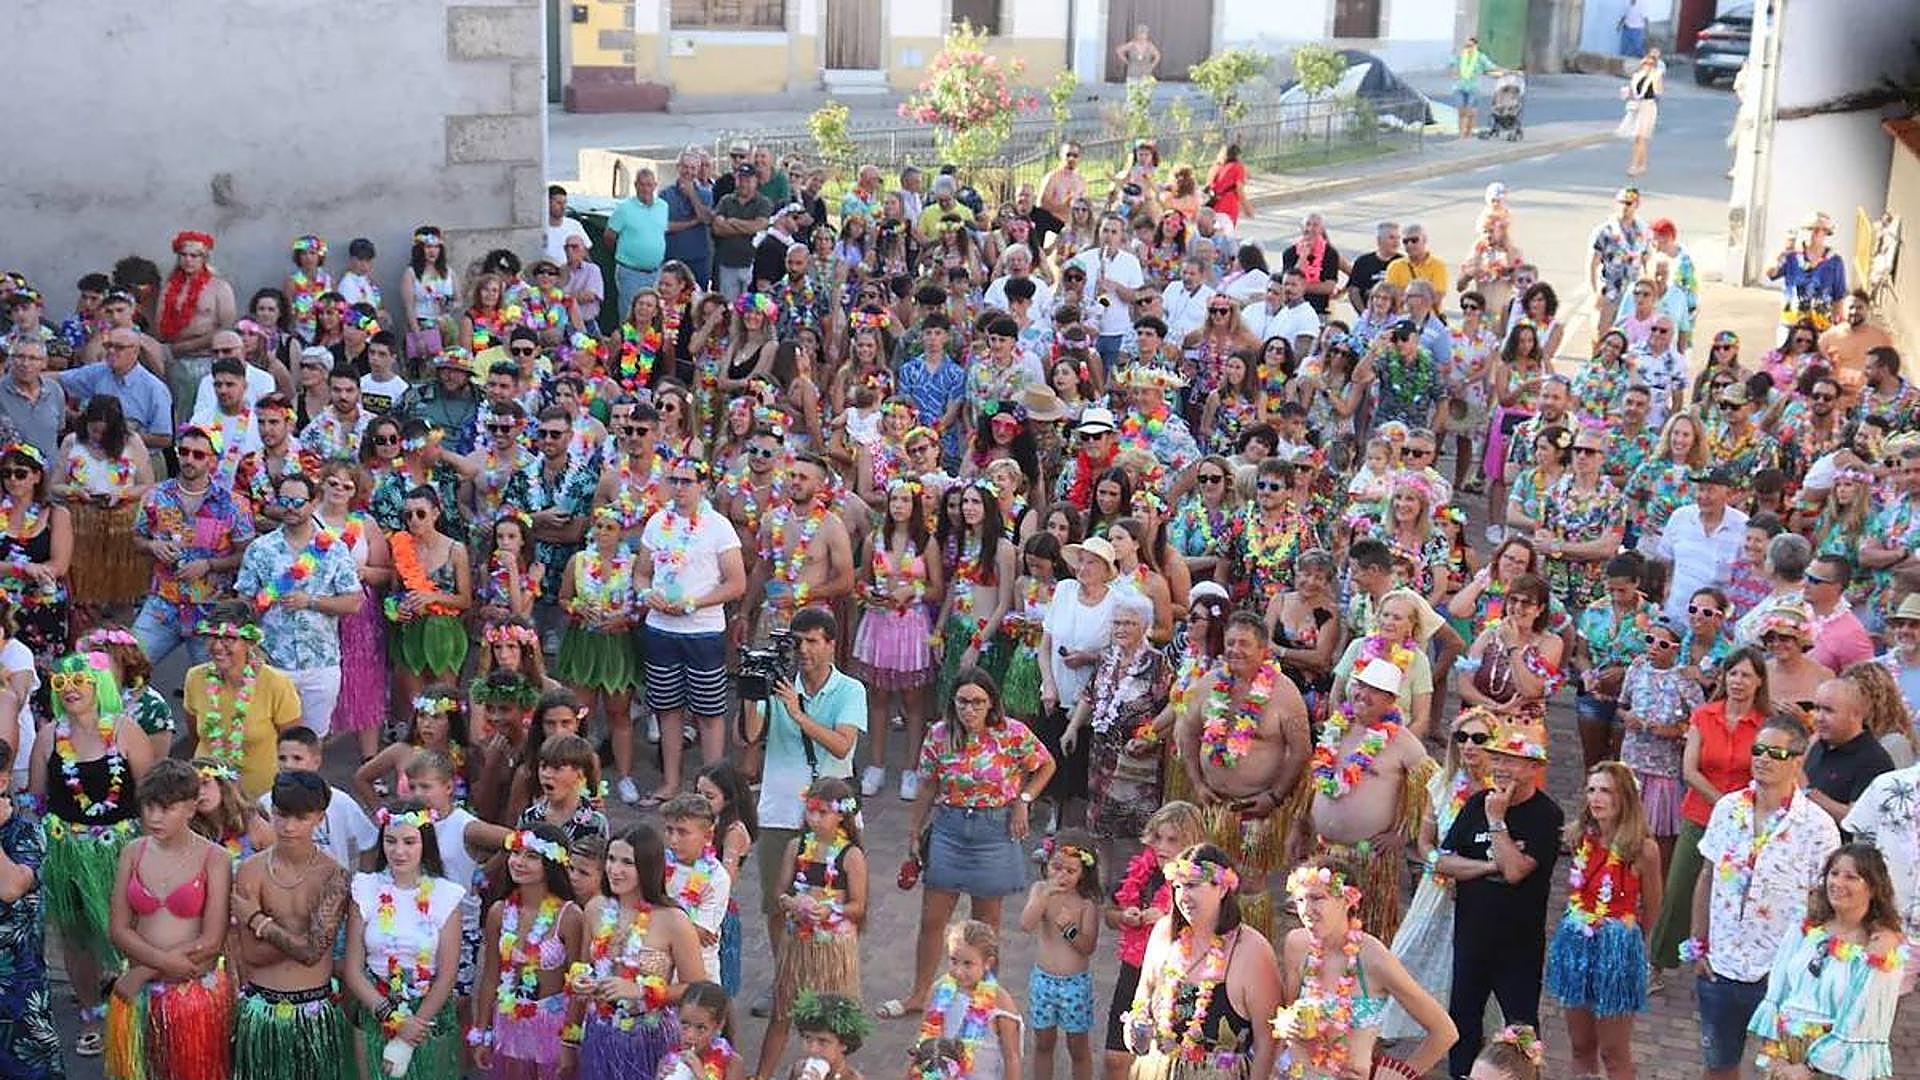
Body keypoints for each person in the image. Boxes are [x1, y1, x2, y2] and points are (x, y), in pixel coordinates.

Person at [887, 670, 1055, 1020]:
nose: (969, 709)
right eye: (963, 701)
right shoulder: (939, 735)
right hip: (949, 828)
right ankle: (919, 993)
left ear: (991, 702)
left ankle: (983, 999)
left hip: (994, 831)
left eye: (977, 701)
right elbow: (928, 786)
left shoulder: (1012, 733)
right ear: (953, 702)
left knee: (987, 924)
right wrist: (914, 831)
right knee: (932, 918)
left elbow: (1045, 765)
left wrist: (1024, 798)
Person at [1685, 715, 1841, 1080]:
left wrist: (1808, 973)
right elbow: (1707, 876)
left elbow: (1825, 907)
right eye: (1758, 750)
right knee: (1718, 1065)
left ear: (1798, 761)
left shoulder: (1818, 827)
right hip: (1721, 965)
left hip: (1781, 972)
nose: (1764, 759)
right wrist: (1698, 944)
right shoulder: (1727, 808)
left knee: (1778, 1069)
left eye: (1776, 752)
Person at [30, 652, 154, 1058]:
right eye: (61, 684)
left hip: (120, 847)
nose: (70, 689)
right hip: (67, 849)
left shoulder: (125, 731)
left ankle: (135, 1011)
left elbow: (150, 795)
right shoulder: (49, 736)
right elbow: (37, 797)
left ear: (98, 686)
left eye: (79, 681)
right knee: (77, 934)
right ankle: (90, 1014)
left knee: (127, 932)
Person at [751, 607, 864, 1017]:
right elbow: (747, 738)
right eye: (797, 642)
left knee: (836, 902)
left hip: (832, 816)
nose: (803, 651)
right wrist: (753, 697)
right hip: (780, 809)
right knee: (778, 901)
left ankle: (833, 983)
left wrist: (798, 712)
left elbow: (841, 746)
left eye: (812, 641)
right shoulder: (778, 683)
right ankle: (785, 979)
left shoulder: (851, 690)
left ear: (832, 644)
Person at [1436, 718, 1564, 1077]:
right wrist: (1487, 866)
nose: (1501, 768)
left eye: (1511, 760)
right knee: (1462, 1021)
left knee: (1522, 1031)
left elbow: (1516, 871)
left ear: (1534, 768)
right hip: (1472, 937)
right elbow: (1443, 862)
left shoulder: (1546, 814)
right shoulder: (1477, 803)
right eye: (1497, 759)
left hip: (1517, 945)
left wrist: (1496, 822)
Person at [1178, 612, 1311, 938]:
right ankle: (1209, 943)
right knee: (1209, 877)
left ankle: (1249, 947)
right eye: (1230, 642)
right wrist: (1196, 782)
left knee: (1250, 883)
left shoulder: (1284, 692)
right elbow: (1188, 733)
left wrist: (1275, 796)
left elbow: (1301, 751)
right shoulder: (1209, 683)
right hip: (1213, 805)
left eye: (1244, 644)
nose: (1235, 649)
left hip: (1258, 807)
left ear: (1263, 650)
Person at [1274, 859, 1458, 1078]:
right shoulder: (1297, 944)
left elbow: (1444, 1032)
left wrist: (1401, 1074)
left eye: (1317, 898)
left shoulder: (1373, 958)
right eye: (1300, 900)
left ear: (1347, 900)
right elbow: (1289, 1008)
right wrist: (1286, 1026)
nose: (1306, 910)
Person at [1380, 706, 1495, 1043]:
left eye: (1478, 738)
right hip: (1437, 886)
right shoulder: (1442, 785)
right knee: (1407, 950)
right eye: (1462, 738)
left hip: (1479, 891)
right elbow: (1425, 840)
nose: (1469, 745)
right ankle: (1393, 1021)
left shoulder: (1501, 793)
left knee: (1468, 965)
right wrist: (1436, 862)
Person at [1301, 656, 1435, 943]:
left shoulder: (1402, 741)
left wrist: (1404, 834)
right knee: (1324, 932)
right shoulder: (1335, 729)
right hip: (1325, 852)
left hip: (1369, 859)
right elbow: (1315, 782)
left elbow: (1432, 788)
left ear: (1390, 700)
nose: (1363, 694)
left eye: (1373, 690)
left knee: (1365, 934)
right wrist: (1299, 828)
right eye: (1360, 686)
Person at [229, 770, 354, 1080]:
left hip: (315, 1012)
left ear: (319, 818)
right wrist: (299, 939)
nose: (288, 827)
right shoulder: (250, 870)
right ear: (271, 811)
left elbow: (312, 952)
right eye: (282, 815)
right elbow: (251, 955)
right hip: (262, 1009)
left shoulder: (334, 876)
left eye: (301, 817)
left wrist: (259, 921)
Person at [1121, 844, 1282, 1080]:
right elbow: (1143, 993)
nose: (1183, 896)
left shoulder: (1252, 950)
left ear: (1223, 888)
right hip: (1158, 1070)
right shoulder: (1164, 932)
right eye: (1177, 886)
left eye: (1192, 885)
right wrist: (1136, 1022)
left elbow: (1269, 1041)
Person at [1542, 762, 1661, 1080]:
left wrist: (1627, 945)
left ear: (1624, 797)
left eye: (1606, 790)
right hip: (1577, 942)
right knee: (1581, 1045)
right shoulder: (1581, 838)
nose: (1596, 797)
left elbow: (1652, 909)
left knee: (1614, 1051)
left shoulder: (1643, 850)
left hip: (1617, 948)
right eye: (1591, 789)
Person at [1747, 843, 1905, 1078]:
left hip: (1835, 1067)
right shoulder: (1804, 933)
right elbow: (1780, 994)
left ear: (1872, 888)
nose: (1838, 883)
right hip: (1785, 1058)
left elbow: (1861, 1019)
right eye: (1834, 873)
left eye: (1851, 877)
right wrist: (1775, 1054)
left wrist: (1811, 1068)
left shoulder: (1878, 951)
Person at [341, 802, 466, 1080]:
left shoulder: (446, 896)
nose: (398, 851)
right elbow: (352, 969)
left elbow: (447, 976)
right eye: (390, 841)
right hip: (376, 1008)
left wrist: (411, 1031)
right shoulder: (365, 888)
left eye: (409, 842)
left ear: (426, 844)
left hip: (427, 1011)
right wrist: (392, 1018)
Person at [755, 778, 867, 1080]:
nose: (814, 819)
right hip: (798, 944)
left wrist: (831, 909)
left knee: (832, 1021)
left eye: (823, 813)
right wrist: (792, 904)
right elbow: (779, 893)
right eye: (811, 811)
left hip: (833, 948)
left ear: (841, 816)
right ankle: (762, 1075)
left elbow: (859, 906)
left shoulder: (851, 855)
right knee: (782, 1013)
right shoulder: (797, 846)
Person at [236, 472, 362, 737]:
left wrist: (311, 602)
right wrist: (251, 645)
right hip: (271, 661)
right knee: (268, 740)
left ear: (313, 502)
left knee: (310, 742)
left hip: (320, 663)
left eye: (297, 502)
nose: (290, 508)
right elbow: (243, 604)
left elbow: (353, 602)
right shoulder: (260, 549)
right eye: (284, 501)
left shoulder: (333, 548)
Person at [132, 423, 255, 668]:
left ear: (213, 461)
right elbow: (136, 538)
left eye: (198, 455)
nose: (189, 459)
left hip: (212, 610)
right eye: (184, 452)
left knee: (215, 688)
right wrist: (153, 546)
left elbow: (246, 555)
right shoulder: (156, 495)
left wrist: (209, 565)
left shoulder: (234, 504)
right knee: (128, 666)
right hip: (163, 604)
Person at [1064, 590, 1168, 871]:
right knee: (1099, 825)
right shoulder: (1107, 659)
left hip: (1138, 759)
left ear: (1145, 626)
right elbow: (1089, 696)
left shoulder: (1157, 663)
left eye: (1129, 624)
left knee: (1139, 828)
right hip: (1102, 756)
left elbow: (1171, 710)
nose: (1121, 629)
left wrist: (1150, 737)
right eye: (1117, 623)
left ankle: (1139, 885)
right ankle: (1104, 881)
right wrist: (1072, 728)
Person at [472, 822, 582, 1079]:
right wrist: (482, 1032)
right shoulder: (499, 912)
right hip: (508, 1022)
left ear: (552, 862)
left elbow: (578, 984)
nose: (518, 862)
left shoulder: (569, 916)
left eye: (531, 856)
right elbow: (490, 978)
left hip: (552, 1026)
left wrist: (571, 1040)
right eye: (516, 852)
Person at [179, 603, 303, 799]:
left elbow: (294, 747)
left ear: (250, 642)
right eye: (213, 637)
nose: (218, 646)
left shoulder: (276, 684)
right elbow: (195, 736)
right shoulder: (195, 677)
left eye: (229, 638)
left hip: (261, 796)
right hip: (208, 794)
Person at [1021, 829, 1102, 1080]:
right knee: (1043, 1044)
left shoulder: (1086, 902)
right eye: (1056, 868)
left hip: (1074, 985)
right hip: (1043, 981)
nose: (1062, 876)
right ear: (1046, 865)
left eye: (1070, 871)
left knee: (1078, 1047)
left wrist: (1068, 929)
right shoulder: (1039, 890)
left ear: (1083, 873)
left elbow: (1088, 946)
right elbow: (1026, 924)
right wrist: (1043, 898)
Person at [1655, 465, 1749, 624]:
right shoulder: (1680, 517)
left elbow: (1746, 576)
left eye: (1710, 490)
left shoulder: (1742, 526)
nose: (1703, 496)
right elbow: (1664, 561)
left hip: (1715, 623)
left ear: (1727, 493)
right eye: (1700, 489)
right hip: (1675, 617)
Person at [1805, 673, 1897, 826]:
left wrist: (1809, 793)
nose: (1819, 718)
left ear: (1856, 715)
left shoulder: (1874, 760)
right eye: (1817, 708)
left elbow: (1858, 821)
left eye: (1828, 710)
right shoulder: (1816, 743)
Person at [1621, 50, 1663, 177]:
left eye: (1651, 64)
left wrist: (1655, 77)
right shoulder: (1637, 76)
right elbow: (1633, 91)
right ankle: (1642, 164)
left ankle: (1635, 166)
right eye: (1646, 63)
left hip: (1648, 107)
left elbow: (1658, 92)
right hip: (1637, 107)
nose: (1648, 66)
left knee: (1642, 137)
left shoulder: (1656, 76)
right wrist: (1627, 93)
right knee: (1637, 138)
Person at [1451, 36, 1499, 139]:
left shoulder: (1480, 58)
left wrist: (1504, 72)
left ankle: (1468, 133)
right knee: (1461, 112)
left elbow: (1491, 67)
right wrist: (1453, 71)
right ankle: (1461, 135)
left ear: (1475, 46)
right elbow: (1452, 64)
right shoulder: (1461, 56)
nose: (1468, 48)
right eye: (1466, 46)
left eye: (1470, 46)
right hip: (1459, 87)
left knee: (1470, 112)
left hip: (1473, 88)